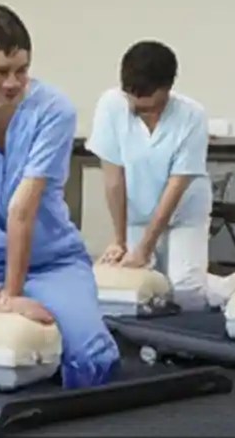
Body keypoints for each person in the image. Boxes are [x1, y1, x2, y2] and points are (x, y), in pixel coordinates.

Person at [0, 4, 119, 389]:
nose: (13, 82)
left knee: (94, 362)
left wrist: (9, 296)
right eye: (0, 71)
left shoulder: (53, 109)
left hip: (49, 260)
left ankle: (73, 325)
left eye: (22, 70)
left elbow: (22, 210)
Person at [88, 40, 212, 311]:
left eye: (148, 105)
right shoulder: (111, 105)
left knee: (185, 291)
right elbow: (113, 179)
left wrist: (145, 248)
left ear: (167, 89)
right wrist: (119, 241)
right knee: (132, 288)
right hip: (136, 214)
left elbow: (175, 187)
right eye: (133, 100)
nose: (137, 107)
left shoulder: (192, 116)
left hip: (182, 214)